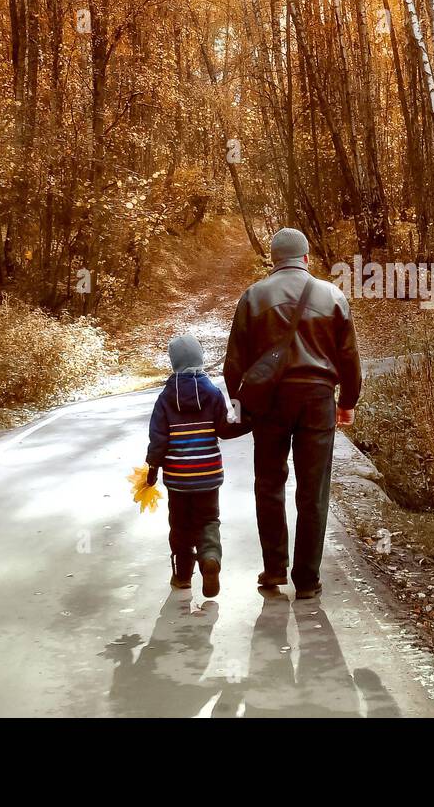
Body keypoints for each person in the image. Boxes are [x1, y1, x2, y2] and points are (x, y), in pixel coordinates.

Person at [224, 228, 362, 599]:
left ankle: (273, 569)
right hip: (317, 400)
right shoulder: (332, 295)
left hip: (269, 403)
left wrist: (241, 406)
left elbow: (233, 363)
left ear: (273, 259)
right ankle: (307, 579)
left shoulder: (253, 297)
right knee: (312, 491)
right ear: (305, 258)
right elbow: (348, 357)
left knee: (269, 485)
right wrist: (347, 402)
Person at [146, 334, 248, 597]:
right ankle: (210, 557)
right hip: (208, 474)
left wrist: (153, 468)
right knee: (208, 519)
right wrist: (249, 420)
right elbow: (225, 430)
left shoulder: (165, 398)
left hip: (178, 478)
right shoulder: (213, 393)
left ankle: (182, 576)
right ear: (200, 359)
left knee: (179, 525)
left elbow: (158, 439)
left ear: (173, 362)